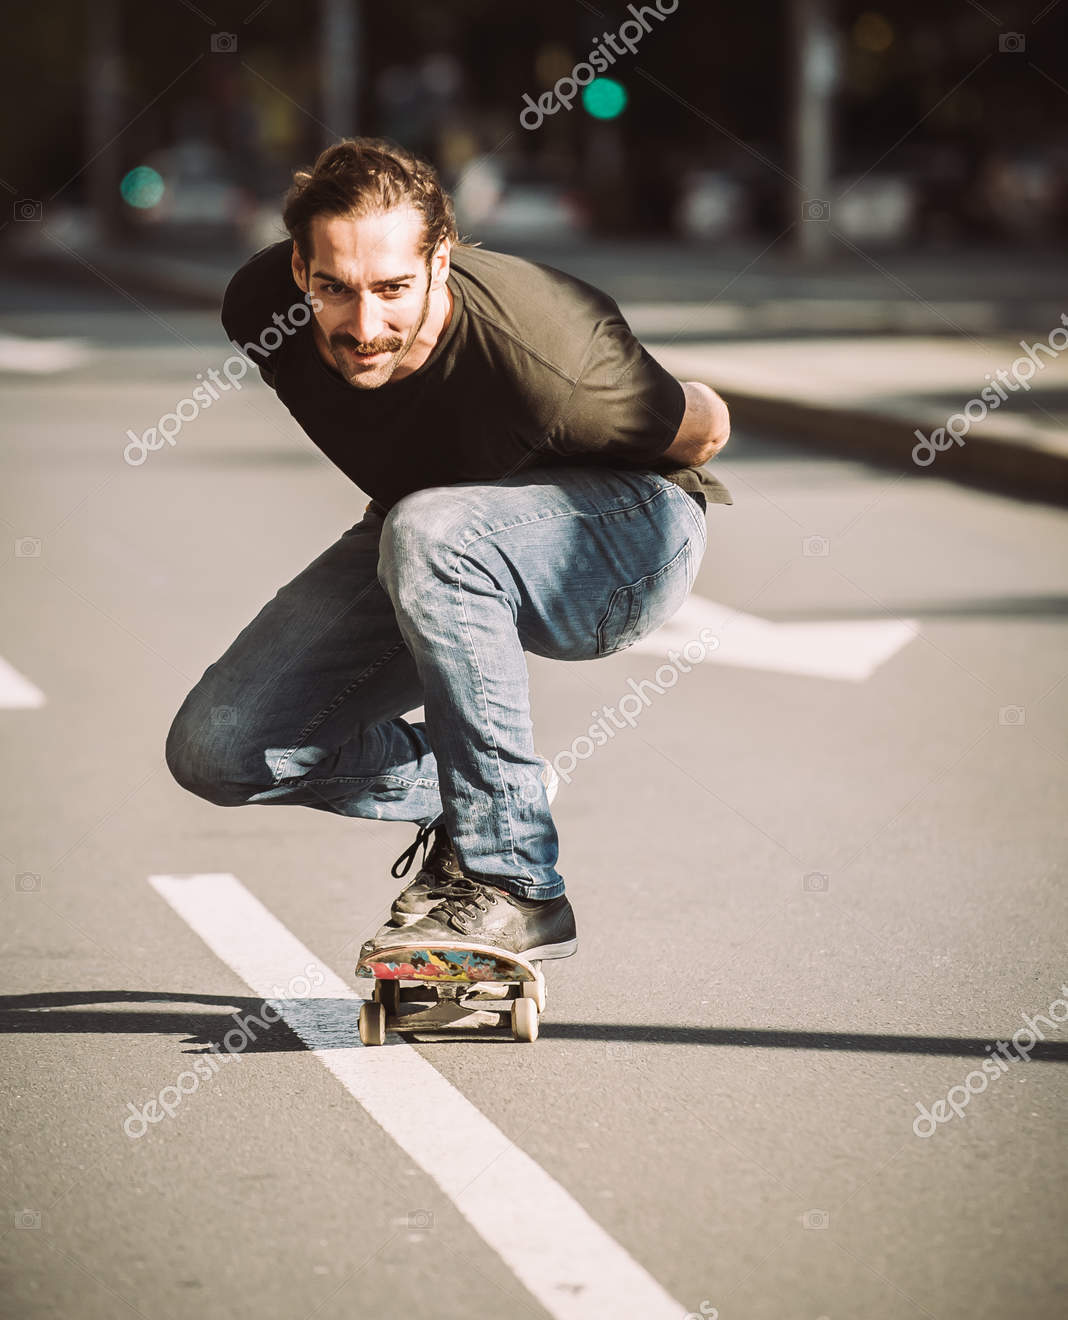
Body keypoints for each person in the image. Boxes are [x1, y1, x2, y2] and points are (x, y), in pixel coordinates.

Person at [165, 137, 732, 965]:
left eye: (393, 289)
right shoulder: (261, 309)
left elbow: (705, 427)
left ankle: (514, 885)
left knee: (433, 530)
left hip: (624, 540)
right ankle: (503, 792)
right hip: (431, 533)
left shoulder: (546, 353)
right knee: (219, 750)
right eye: (335, 289)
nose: (364, 326)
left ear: (442, 257)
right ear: (299, 270)